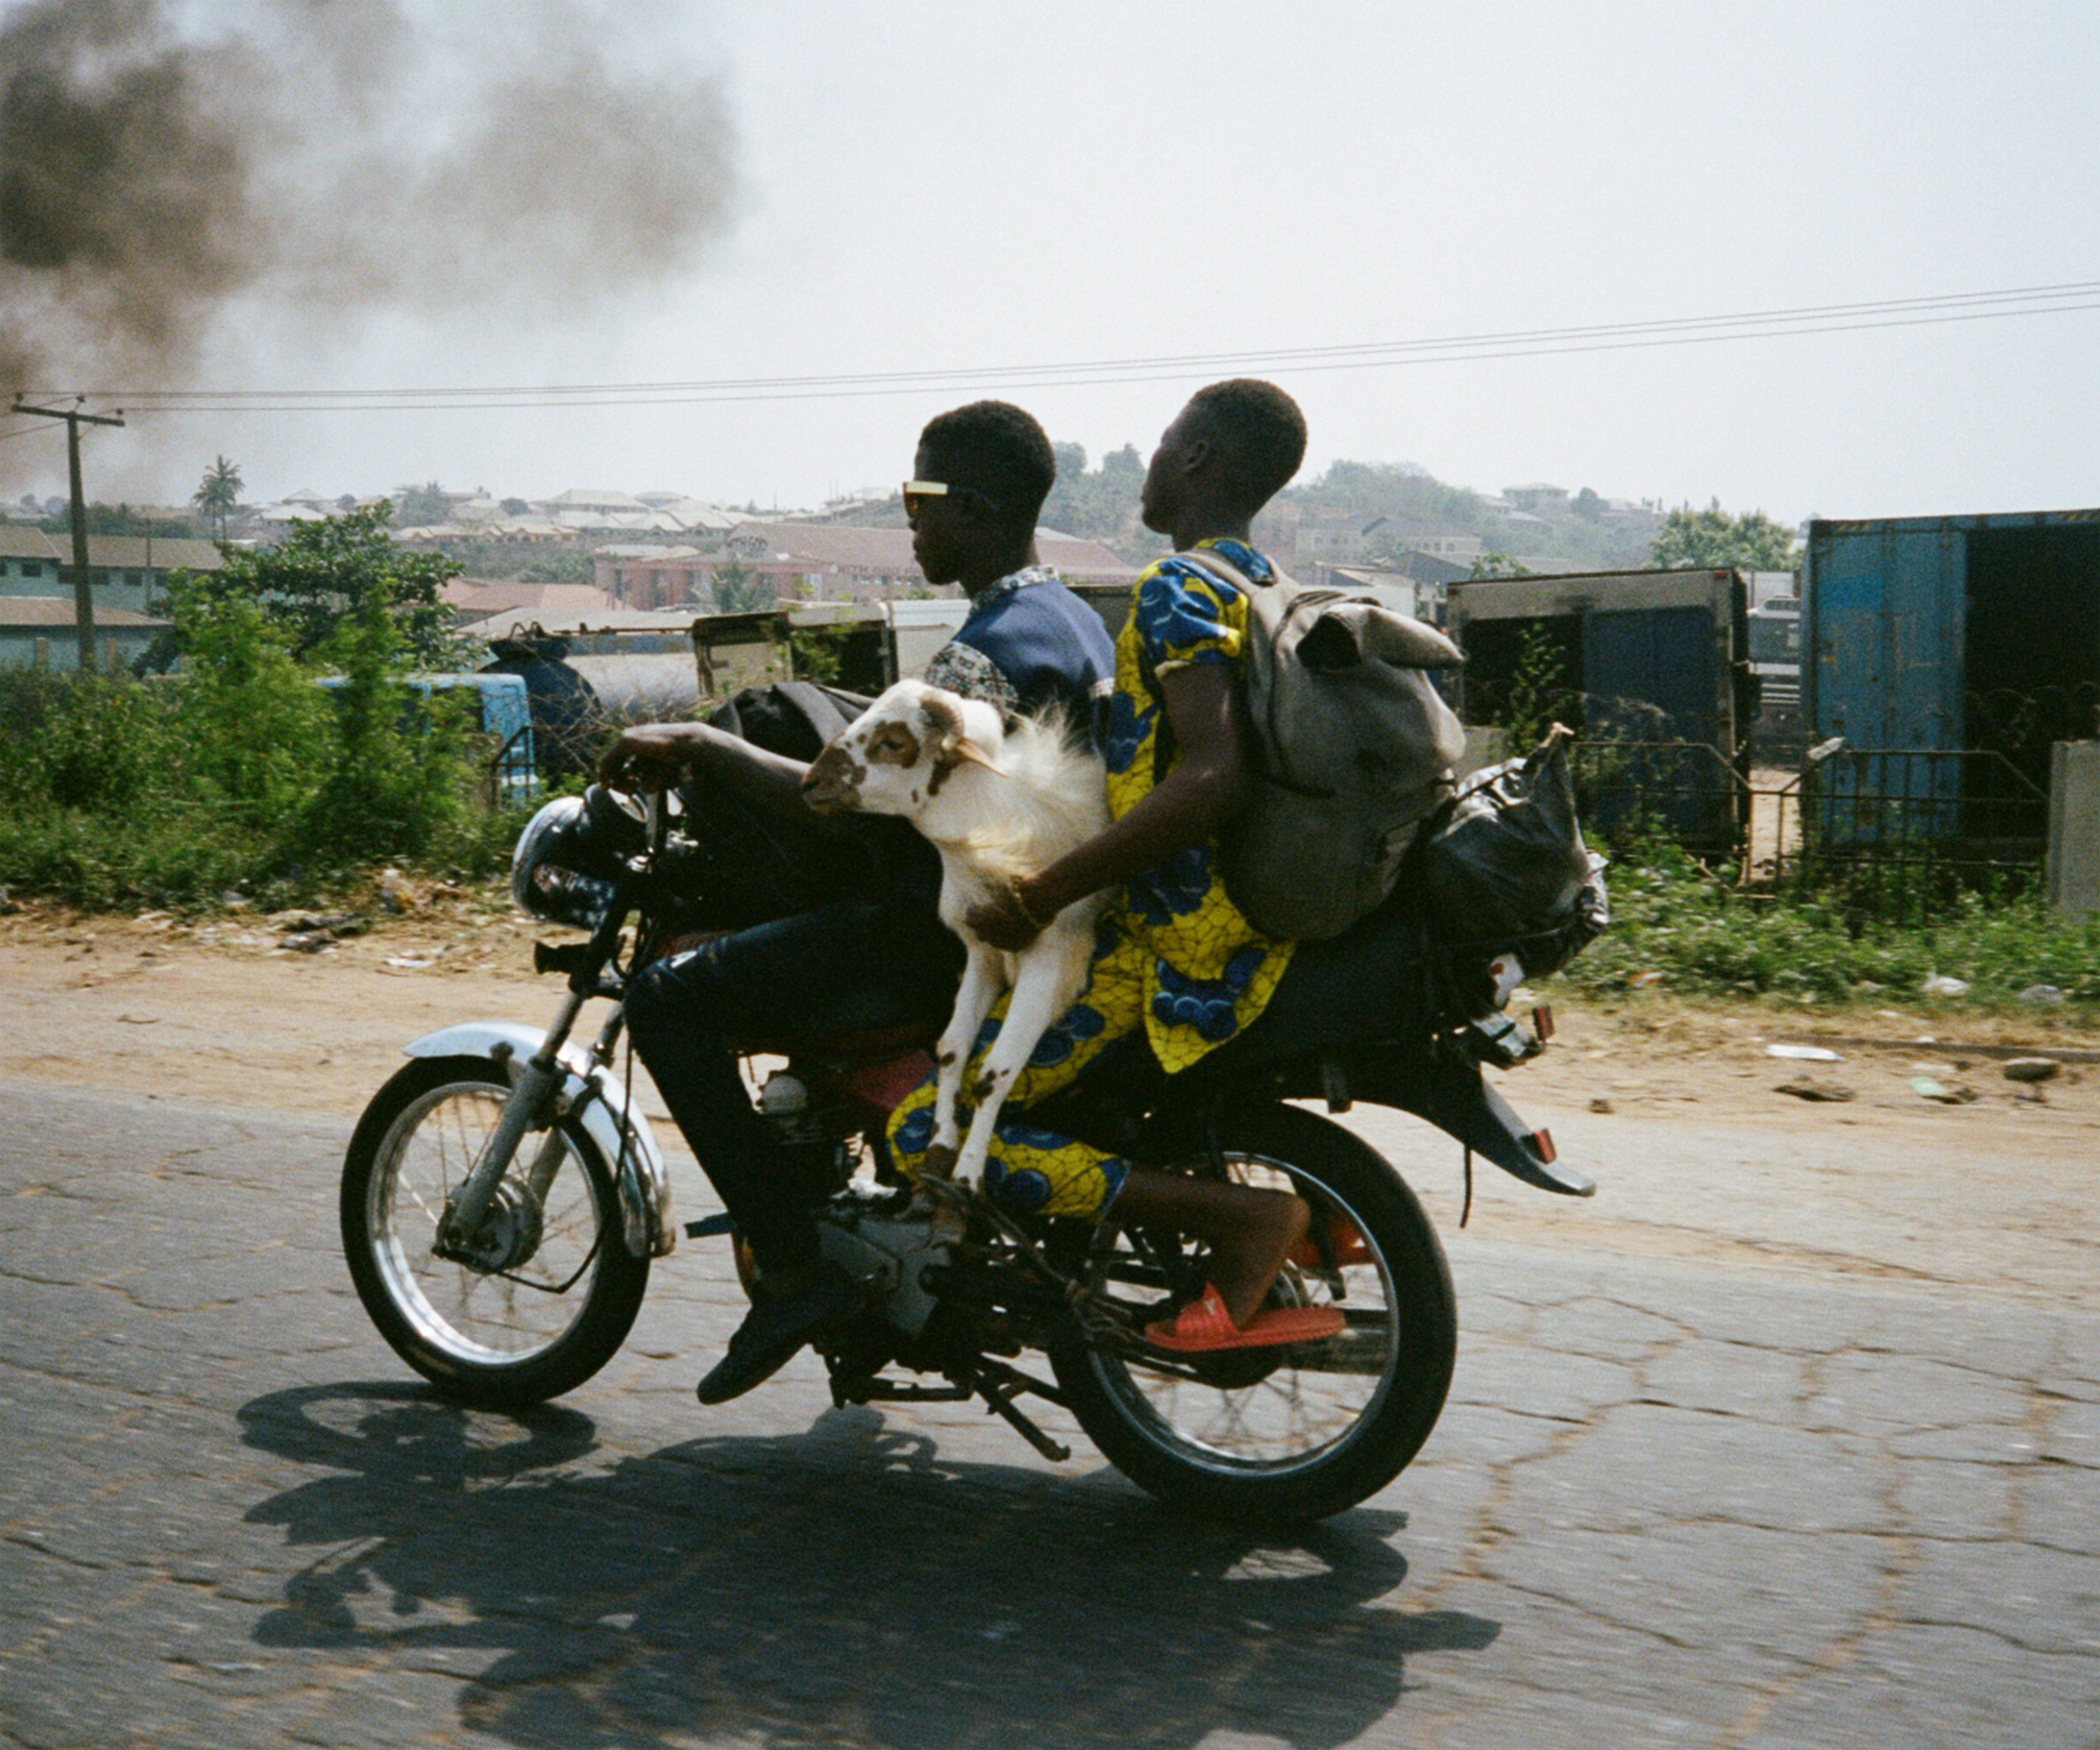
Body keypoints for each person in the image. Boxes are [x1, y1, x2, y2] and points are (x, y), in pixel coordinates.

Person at [600, 400, 1114, 1404]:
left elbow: (841, 809)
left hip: (938, 937)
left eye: (920, 500)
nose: (909, 523)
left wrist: (702, 743)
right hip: (1033, 919)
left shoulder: (984, 651)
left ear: (974, 507)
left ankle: (795, 1271)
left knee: (666, 999)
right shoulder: (1071, 618)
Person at [886, 378, 1353, 1352]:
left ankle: (1249, 1219)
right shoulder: (1259, 581)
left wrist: (1042, 894)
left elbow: (1212, 775)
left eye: (1165, 440)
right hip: (1236, 918)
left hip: (1167, 939)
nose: (1148, 460)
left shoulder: (1178, 587)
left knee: (922, 1130)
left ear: (1196, 458)